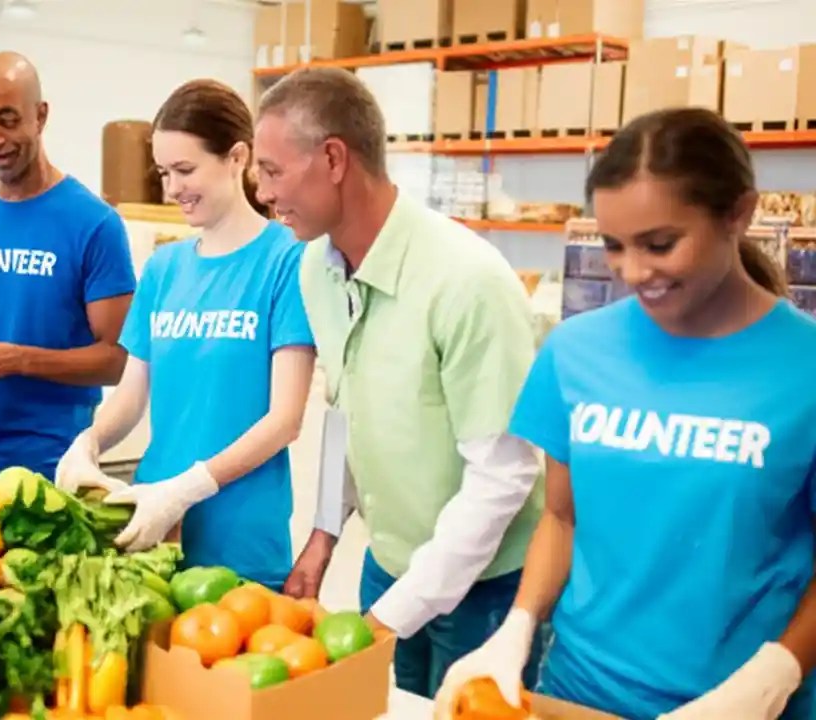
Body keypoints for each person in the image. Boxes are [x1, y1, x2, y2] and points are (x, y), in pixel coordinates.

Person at [434, 108, 816, 720]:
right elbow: (561, 516)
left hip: (744, 704)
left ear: (738, 215)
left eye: (660, 244)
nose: (634, 272)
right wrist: (517, 628)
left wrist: (776, 674)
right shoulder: (576, 350)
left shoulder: (804, 367)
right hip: (580, 692)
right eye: (615, 246)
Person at [252, 66, 545, 699]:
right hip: (388, 566)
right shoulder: (315, 266)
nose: (263, 192)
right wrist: (326, 532)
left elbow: (502, 477)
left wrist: (390, 618)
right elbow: (345, 409)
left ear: (333, 158)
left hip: (486, 588)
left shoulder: (468, 283)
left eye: (273, 171)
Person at [53, 79, 315, 589]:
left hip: (241, 537)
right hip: (154, 525)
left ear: (237, 158)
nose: (172, 189)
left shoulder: (287, 260)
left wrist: (188, 488)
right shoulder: (163, 268)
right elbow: (130, 399)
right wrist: (89, 441)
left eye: (186, 170)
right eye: (164, 173)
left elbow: (286, 419)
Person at [0, 51, 135, 479]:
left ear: (40, 116)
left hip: (55, 463)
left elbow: (116, 359)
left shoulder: (93, 223)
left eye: (8, 119)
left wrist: (11, 360)